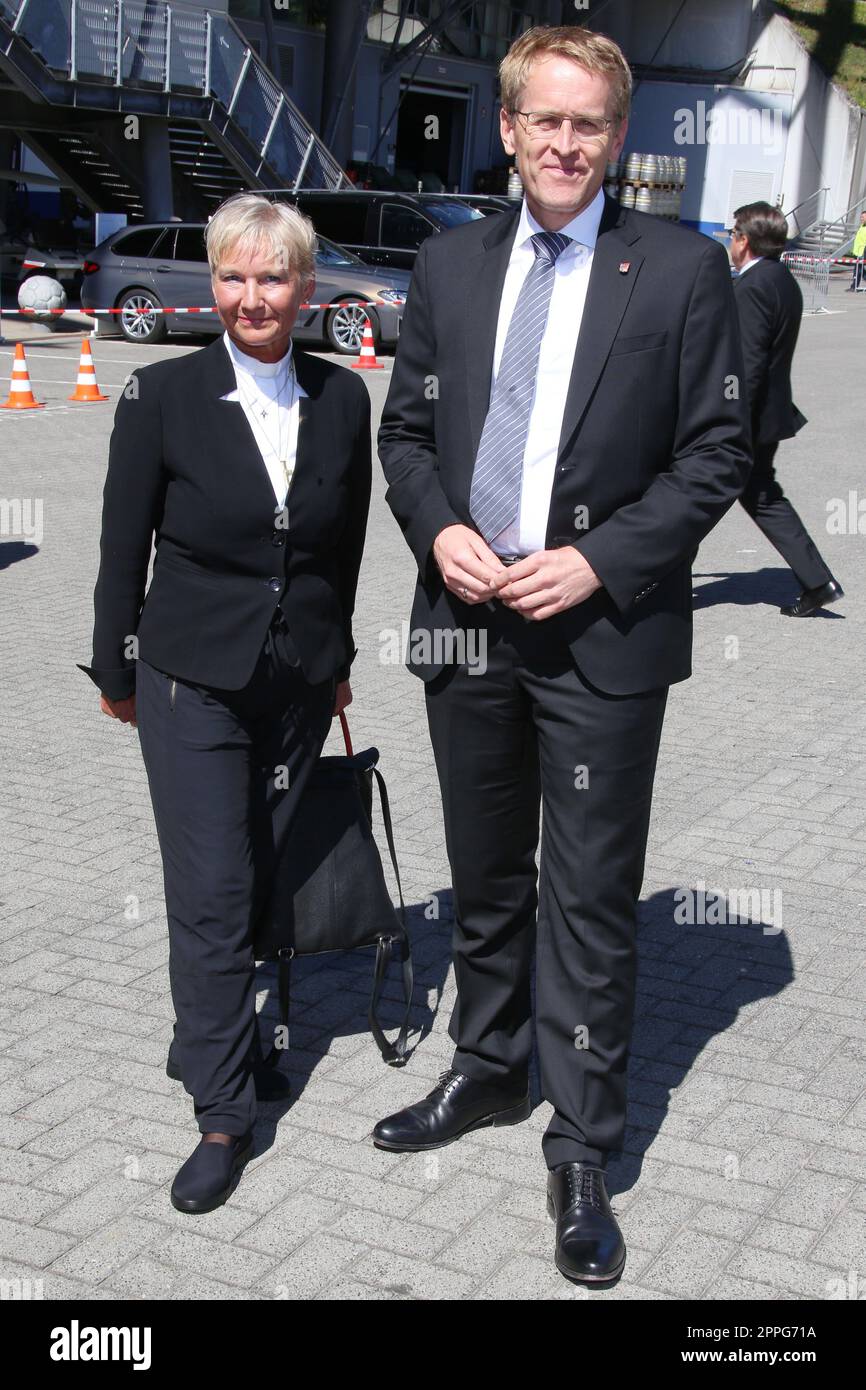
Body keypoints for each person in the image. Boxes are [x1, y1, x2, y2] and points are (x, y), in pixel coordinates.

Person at [375, 24, 751, 1288]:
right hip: (462, 617)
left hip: (600, 632)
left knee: (586, 899)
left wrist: (599, 560)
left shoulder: (682, 272)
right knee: (484, 874)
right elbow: (407, 434)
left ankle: (582, 1142)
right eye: (544, 119)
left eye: (588, 123)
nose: (564, 143)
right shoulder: (445, 264)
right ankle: (488, 1066)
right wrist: (438, 531)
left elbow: (714, 456)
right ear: (506, 127)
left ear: (617, 135)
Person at [79, 193, 371, 1214]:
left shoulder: (341, 399)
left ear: (304, 286)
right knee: (210, 889)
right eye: (235, 276)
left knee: (258, 885)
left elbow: (341, 547)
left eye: (274, 275)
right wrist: (115, 670)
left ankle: (209, 1035)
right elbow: (124, 547)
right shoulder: (159, 396)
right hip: (190, 679)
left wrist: (333, 661)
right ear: (214, 283)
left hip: (294, 682)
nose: (254, 296)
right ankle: (222, 1109)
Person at [731, 202, 843, 616]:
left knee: (695, 493)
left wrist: (729, 425)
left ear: (743, 239)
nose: (730, 240)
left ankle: (651, 580)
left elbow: (748, 365)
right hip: (767, 417)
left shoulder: (753, 287)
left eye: (733, 233)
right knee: (760, 495)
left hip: (746, 420)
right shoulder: (782, 279)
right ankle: (818, 581)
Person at [847, 210, 866, 291]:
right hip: (858, 252)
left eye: (863, 217)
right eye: (861, 217)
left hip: (863, 253)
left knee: (859, 271)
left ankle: (854, 287)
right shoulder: (862, 226)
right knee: (859, 271)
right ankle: (854, 286)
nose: (861, 218)